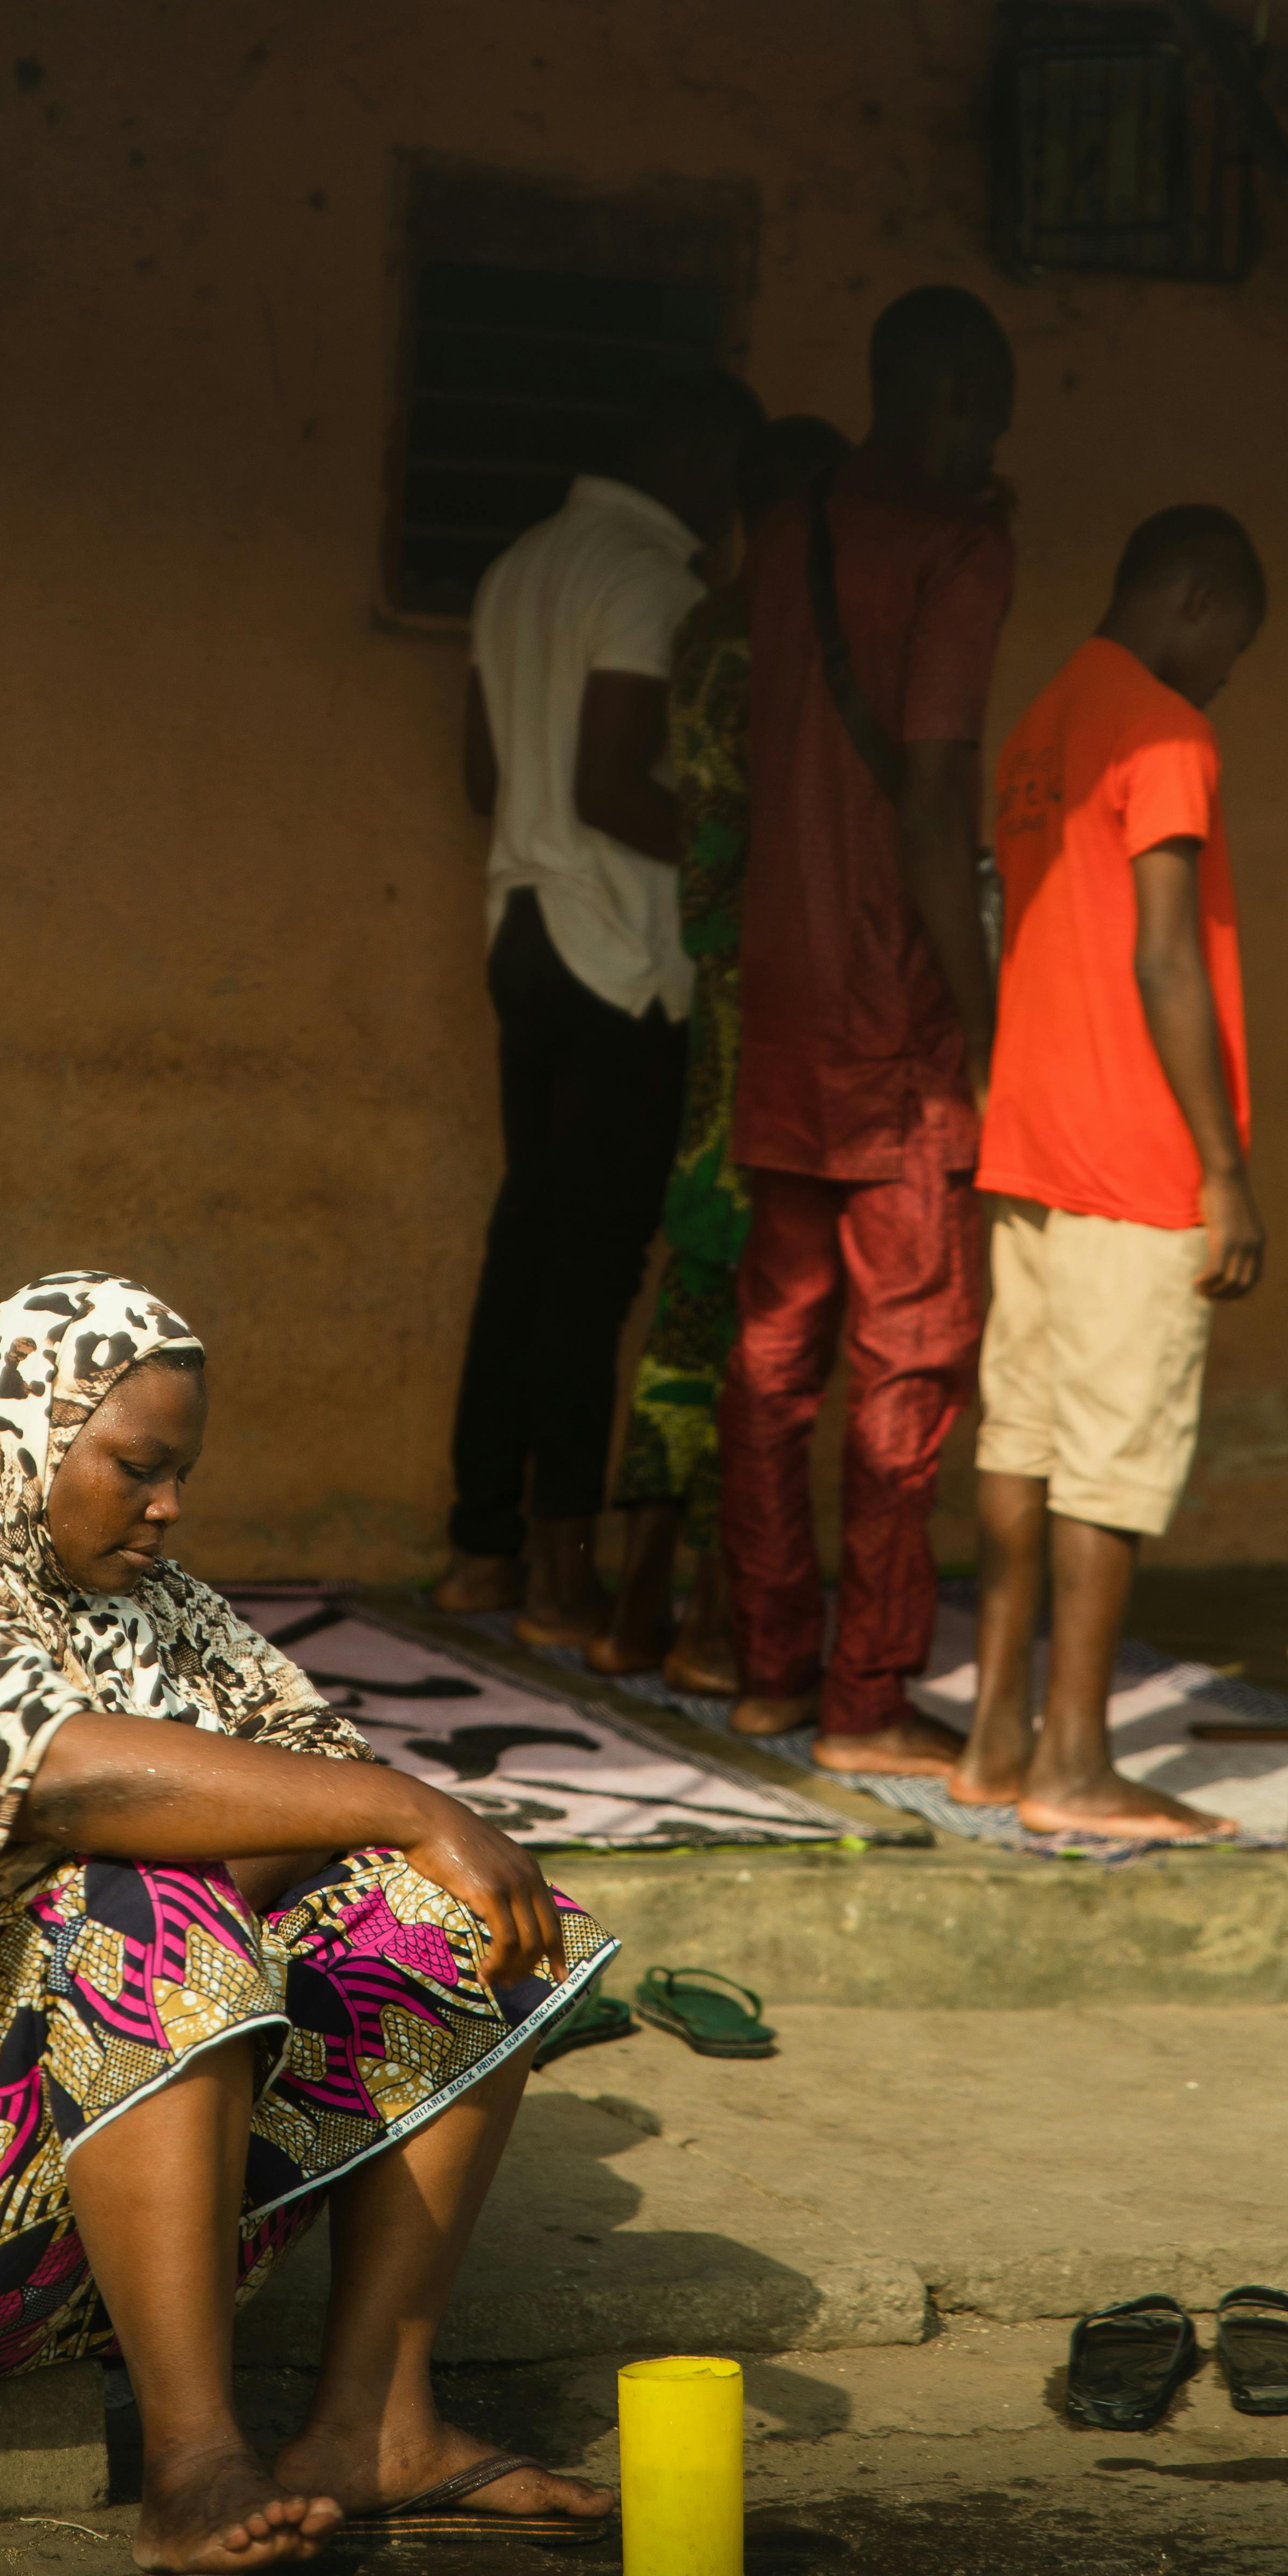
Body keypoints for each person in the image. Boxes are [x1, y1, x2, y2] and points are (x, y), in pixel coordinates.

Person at [0, 1271, 618, 2576]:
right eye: (136, 1468)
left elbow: (301, 1784)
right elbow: (57, 1772)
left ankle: (373, 2423)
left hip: (61, 2235)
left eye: (180, 1475)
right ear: (24, 1432)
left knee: (453, 1911)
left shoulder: (164, 1610)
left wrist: (352, 1834)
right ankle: (193, 2464)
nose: (168, 1508)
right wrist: (386, 1800)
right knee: (148, 1910)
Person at [720, 287, 1017, 1770]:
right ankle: (865, 1698)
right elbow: (932, 802)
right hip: (896, 1022)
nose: (975, 434)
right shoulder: (963, 552)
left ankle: (771, 1663)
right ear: (931, 401)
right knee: (908, 1366)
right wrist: (991, 1021)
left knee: (773, 1356)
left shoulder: (793, 535)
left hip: (781, 1002)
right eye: (969, 403)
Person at [435, 369, 768, 1648]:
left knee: (526, 1242)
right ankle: (563, 1571)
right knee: (593, 1262)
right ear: (691, 458)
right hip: (617, 953)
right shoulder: (648, 577)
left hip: (519, 928)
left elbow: (488, 773)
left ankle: (483, 1547)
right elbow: (608, 785)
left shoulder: (519, 563)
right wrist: (746, 852)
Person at [950, 508, 1267, 1838]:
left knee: (1020, 1445)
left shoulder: (1039, 724)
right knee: (1110, 1470)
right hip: (1133, 1156)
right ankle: (1075, 1763)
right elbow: (1163, 955)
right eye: (1228, 646)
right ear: (1193, 596)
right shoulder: (1161, 730)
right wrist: (1224, 1168)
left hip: (1025, 1147)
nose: (1221, 676)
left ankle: (995, 1737)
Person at [590, 414, 853, 1691]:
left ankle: (645, 1605)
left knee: (695, 1309)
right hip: (776, 1016)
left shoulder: (702, 629)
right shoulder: (782, 648)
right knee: (762, 1318)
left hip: (717, 1004)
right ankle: (709, 1620)